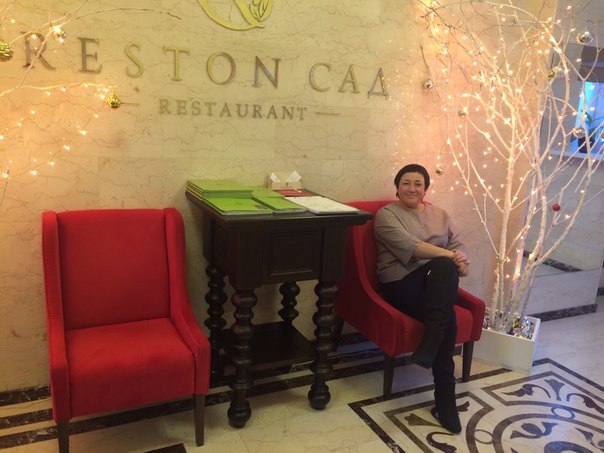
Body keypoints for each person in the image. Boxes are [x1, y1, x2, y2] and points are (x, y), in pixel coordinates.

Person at [374, 163, 470, 434]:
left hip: (434, 286)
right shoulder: (386, 215)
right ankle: (446, 401)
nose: (412, 188)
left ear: (426, 189)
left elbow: (459, 247)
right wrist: (451, 257)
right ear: (397, 187)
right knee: (446, 308)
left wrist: (461, 260)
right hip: (400, 283)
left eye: (418, 184)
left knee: (444, 308)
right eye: (406, 183)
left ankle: (432, 348)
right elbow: (412, 248)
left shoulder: (441, 214)